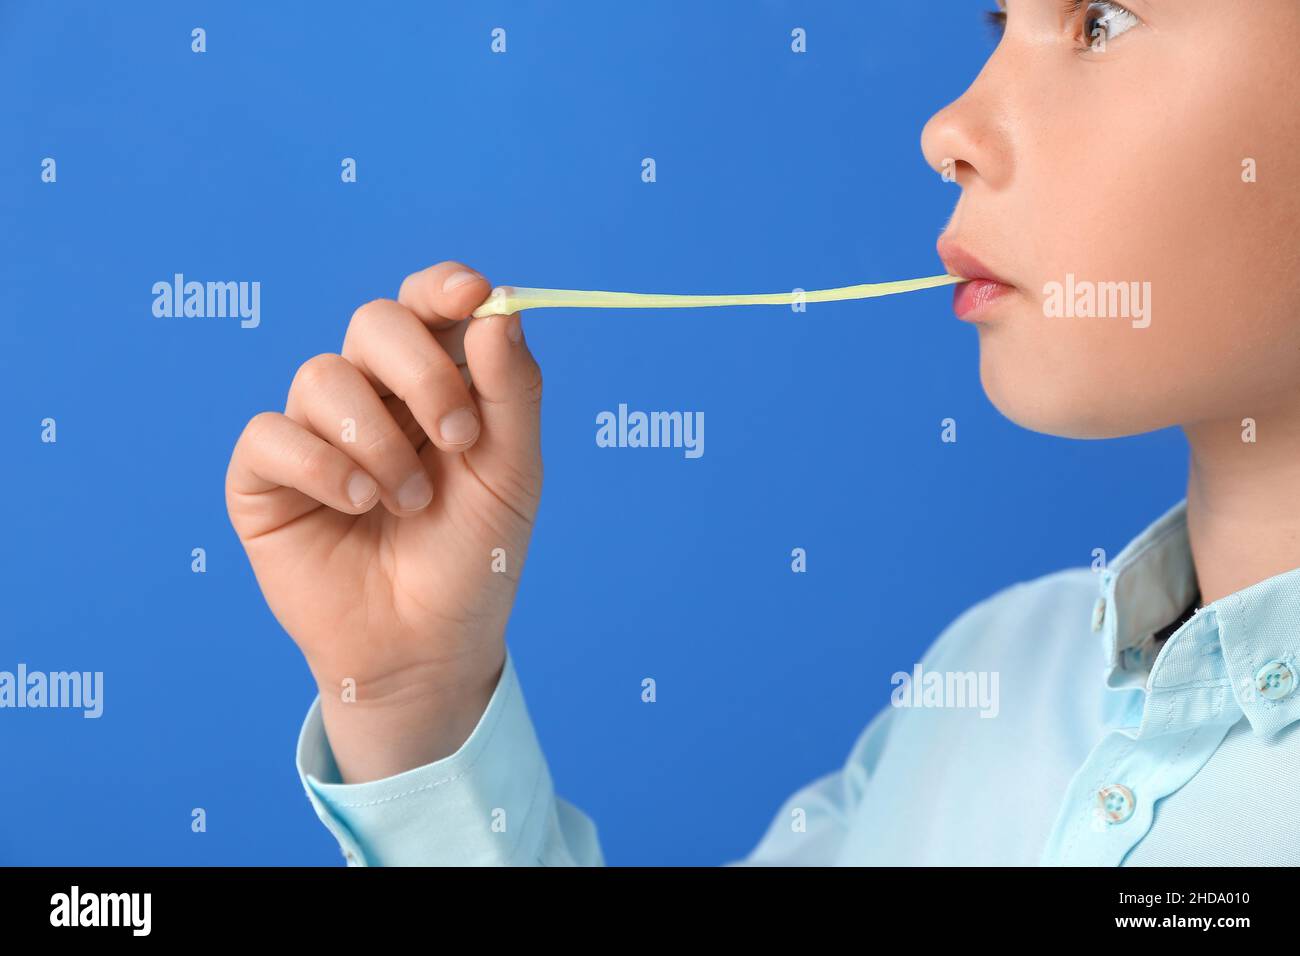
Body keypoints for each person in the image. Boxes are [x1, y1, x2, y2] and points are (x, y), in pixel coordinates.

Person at [225, 0, 1300, 865]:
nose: (946, 132)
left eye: (1098, 21)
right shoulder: (987, 687)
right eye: (997, 23)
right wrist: (419, 707)